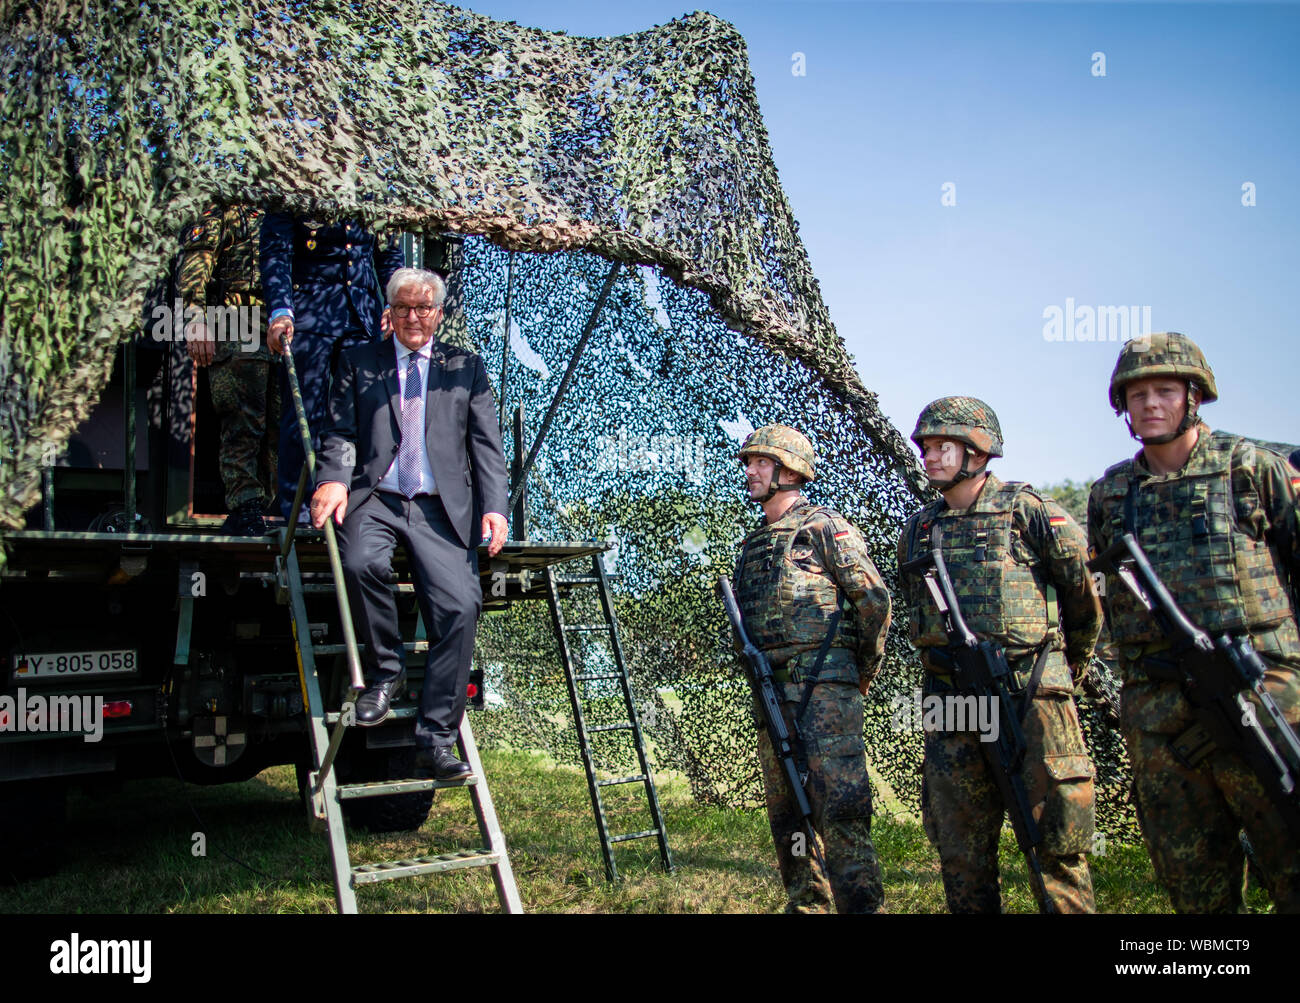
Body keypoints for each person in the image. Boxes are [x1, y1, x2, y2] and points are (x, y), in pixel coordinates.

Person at [1087, 332, 1300, 913]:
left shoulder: (1252, 468)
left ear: (1193, 396)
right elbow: (1106, 600)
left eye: (1164, 390)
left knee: (1291, 858)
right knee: (1192, 878)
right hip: (1160, 715)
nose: (1150, 404)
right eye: (1136, 394)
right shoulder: (1111, 494)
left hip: (1264, 697)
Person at [897, 397, 1100, 914]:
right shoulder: (919, 528)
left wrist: (1059, 668)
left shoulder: (1028, 511)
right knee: (959, 843)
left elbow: (1082, 596)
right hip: (950, 698)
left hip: (1029, 690)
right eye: (926, 447)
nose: (931, 456)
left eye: (944, 446)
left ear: (979, 450)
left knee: (1055, 838)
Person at [310, 268, 509, 780]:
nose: (414, 317)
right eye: (403, 307)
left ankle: (436, 739)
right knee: (359, 562)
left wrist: (495, 507)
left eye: (424, 308)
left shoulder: (466, 368)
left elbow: (486, 447)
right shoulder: (358, 363)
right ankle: (385, 673)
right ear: (390, 312)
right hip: (377, 496)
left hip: (440, 507)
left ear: (439, 314)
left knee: (462, 608)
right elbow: (339, 432)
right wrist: (332, 479)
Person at [732, 424, 889, 913]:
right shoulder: (754, 543)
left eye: (760, 462)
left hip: (825, 691)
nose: (750, 470)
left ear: (790, 470)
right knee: (788, 819)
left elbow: (873, 601)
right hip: (772, 695)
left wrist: (859, 671)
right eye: (750, 462)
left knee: (840, 812)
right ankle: (809, 906)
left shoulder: (824, 528)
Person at [260, 213, 404, 521]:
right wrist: (280, 310)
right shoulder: (295, 176)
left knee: (364, 414)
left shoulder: (374, 185)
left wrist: (395, 302)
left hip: (362, 316)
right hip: (309, 313)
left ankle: (358, 504)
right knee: (305, 414)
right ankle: (299, 509)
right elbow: (276, 249)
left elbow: (389, 251)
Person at [177, 204, 279, 536]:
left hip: (279, 320)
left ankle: (272, 504)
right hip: (235, 319)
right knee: (242, 418)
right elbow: (196, 263)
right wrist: (195, 319)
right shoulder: (224, 209)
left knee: (279, 421)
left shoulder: (282, 207)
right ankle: (244, 505)